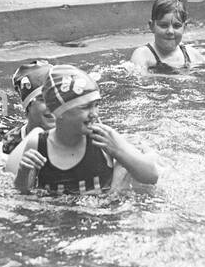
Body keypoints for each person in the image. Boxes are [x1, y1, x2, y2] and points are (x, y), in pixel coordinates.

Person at [14, 65, 159, 194]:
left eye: (96, 104)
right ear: (59, 112)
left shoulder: (104, 138)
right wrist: (23, 172)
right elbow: (23, 193)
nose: (94, 113)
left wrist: (119, 150)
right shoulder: (37, 144)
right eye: (85, 107)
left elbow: (151, 177)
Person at [0, 59, 56, 173]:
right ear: (27, 105)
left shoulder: (74, 132)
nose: (53, 105)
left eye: (56, 97)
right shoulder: (11, 144)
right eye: (43, 99)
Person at [129, 0, 196, 74]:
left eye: (176, 26)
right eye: (163, 25)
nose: (170, 31)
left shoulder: (191, 54)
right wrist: (179, 78)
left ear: (184, 27)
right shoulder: (143, 55)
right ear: (152, 26)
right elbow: (139, 79)